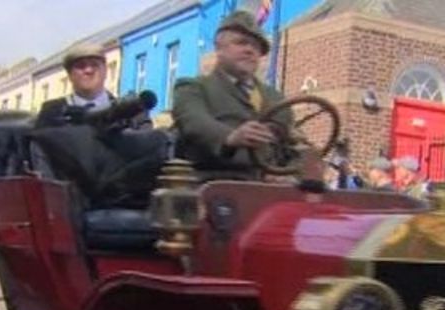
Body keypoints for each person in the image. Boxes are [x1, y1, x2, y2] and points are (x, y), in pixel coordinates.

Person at [29, 44, 167, 210]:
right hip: (72, 197)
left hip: (126, 196)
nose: (89, 70)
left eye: (95, 65)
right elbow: (42, 155)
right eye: (80, 66)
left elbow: (146, 149)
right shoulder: (53, 111)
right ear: (70, 75)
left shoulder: (130, 109)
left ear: (105, 71)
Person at [171, 10, 291, 179]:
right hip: (209, 182)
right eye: (241, 43)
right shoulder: (193, 88)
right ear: (219, 49)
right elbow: (194, 121)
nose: (250, 50)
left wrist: (298, 167)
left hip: (266, 186)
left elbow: (289, 141)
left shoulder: (275, 98)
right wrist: (230, 137)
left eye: (256, 47)